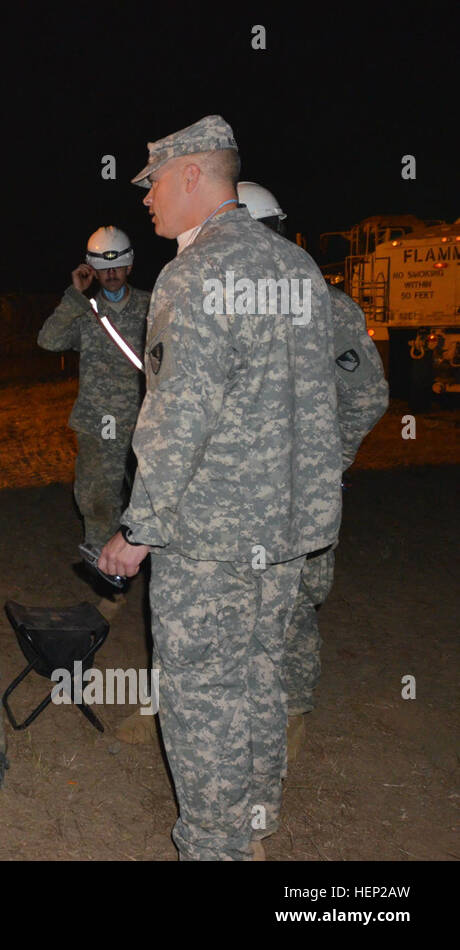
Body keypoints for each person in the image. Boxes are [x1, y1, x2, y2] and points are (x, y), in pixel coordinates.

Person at [99, 116, 343, 860]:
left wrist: (138, 532)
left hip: (210, 537)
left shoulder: (196, 274)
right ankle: (253, 829)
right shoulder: (296, 269)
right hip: (287, 533)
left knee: (204, 697)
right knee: (261, 684)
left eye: (154, 184)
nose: (146, 201)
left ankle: (215, 848)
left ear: (193, 177)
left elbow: (179, 416)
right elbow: (319, 402)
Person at [237, 181, 388, 763]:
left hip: (301, 493)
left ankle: (292, 714)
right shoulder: (218, 305)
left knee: (294, 601)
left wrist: (330, 457)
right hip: (232, 494)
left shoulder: (326, 306)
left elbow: (366, 394)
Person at [38, 227, 150, 616]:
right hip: (97, 424)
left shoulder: (155, 308)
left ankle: (162, 582)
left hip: (148, 426)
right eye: (105, 268)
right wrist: (74, 293)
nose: (113, 274)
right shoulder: (85, 312)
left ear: (130, 264)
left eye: (119, 265)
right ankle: (109, 587)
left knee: (155, 504)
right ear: (92, 270)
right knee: (97, 503)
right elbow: (48, 340)